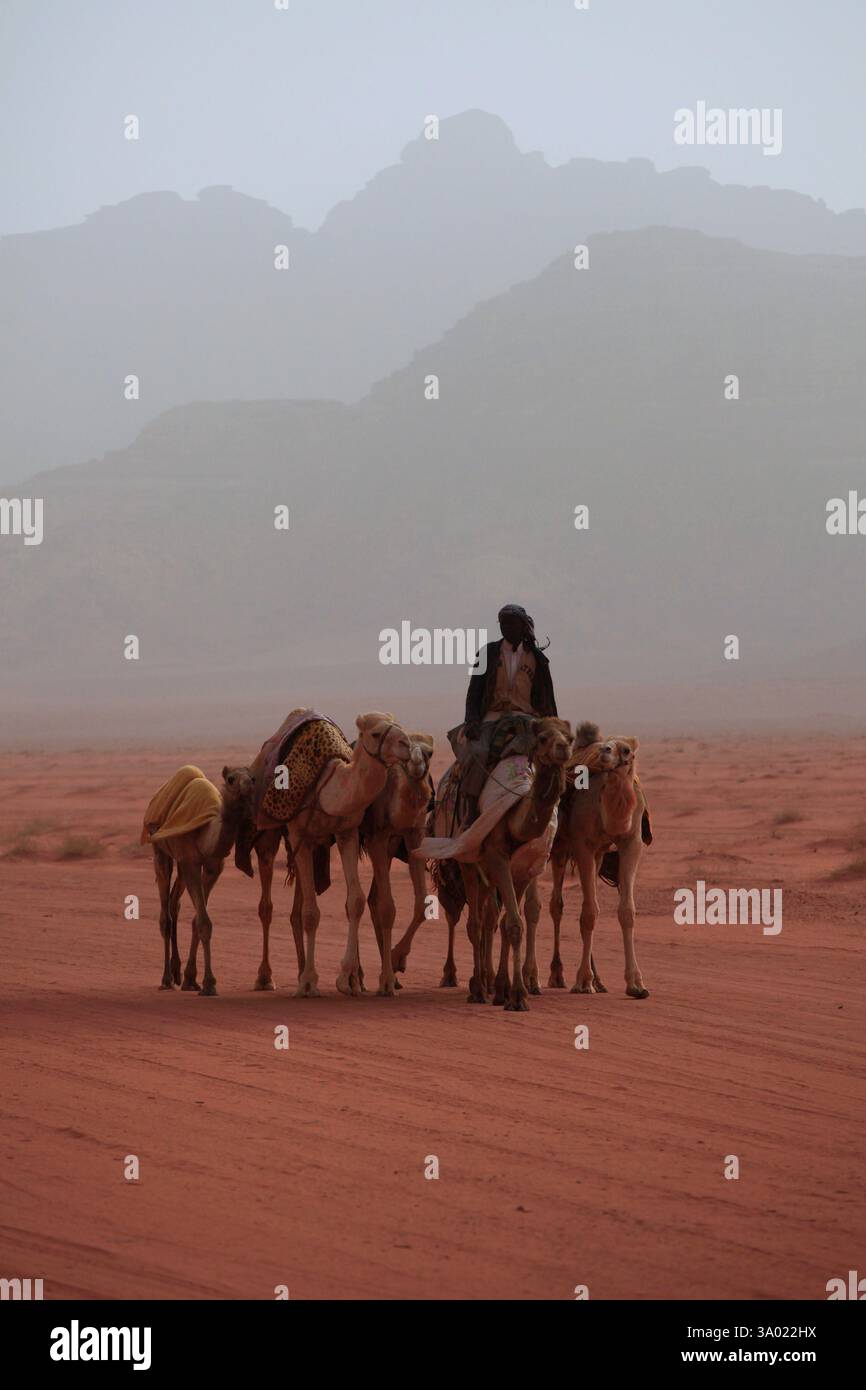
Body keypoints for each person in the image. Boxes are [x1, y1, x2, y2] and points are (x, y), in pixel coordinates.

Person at [448, 604, 558, 824]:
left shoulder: (538, 659)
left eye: (511, 622)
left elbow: (548, 697)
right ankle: (470, 809)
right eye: (502, 623)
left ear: (522, 625)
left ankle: (559, 812)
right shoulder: (486, 653)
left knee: (554, 759)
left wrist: (554, 727)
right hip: (492, 717)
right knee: (477, 753)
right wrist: (472, 720)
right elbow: (474, 691)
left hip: (528, 720)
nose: (506, 627)